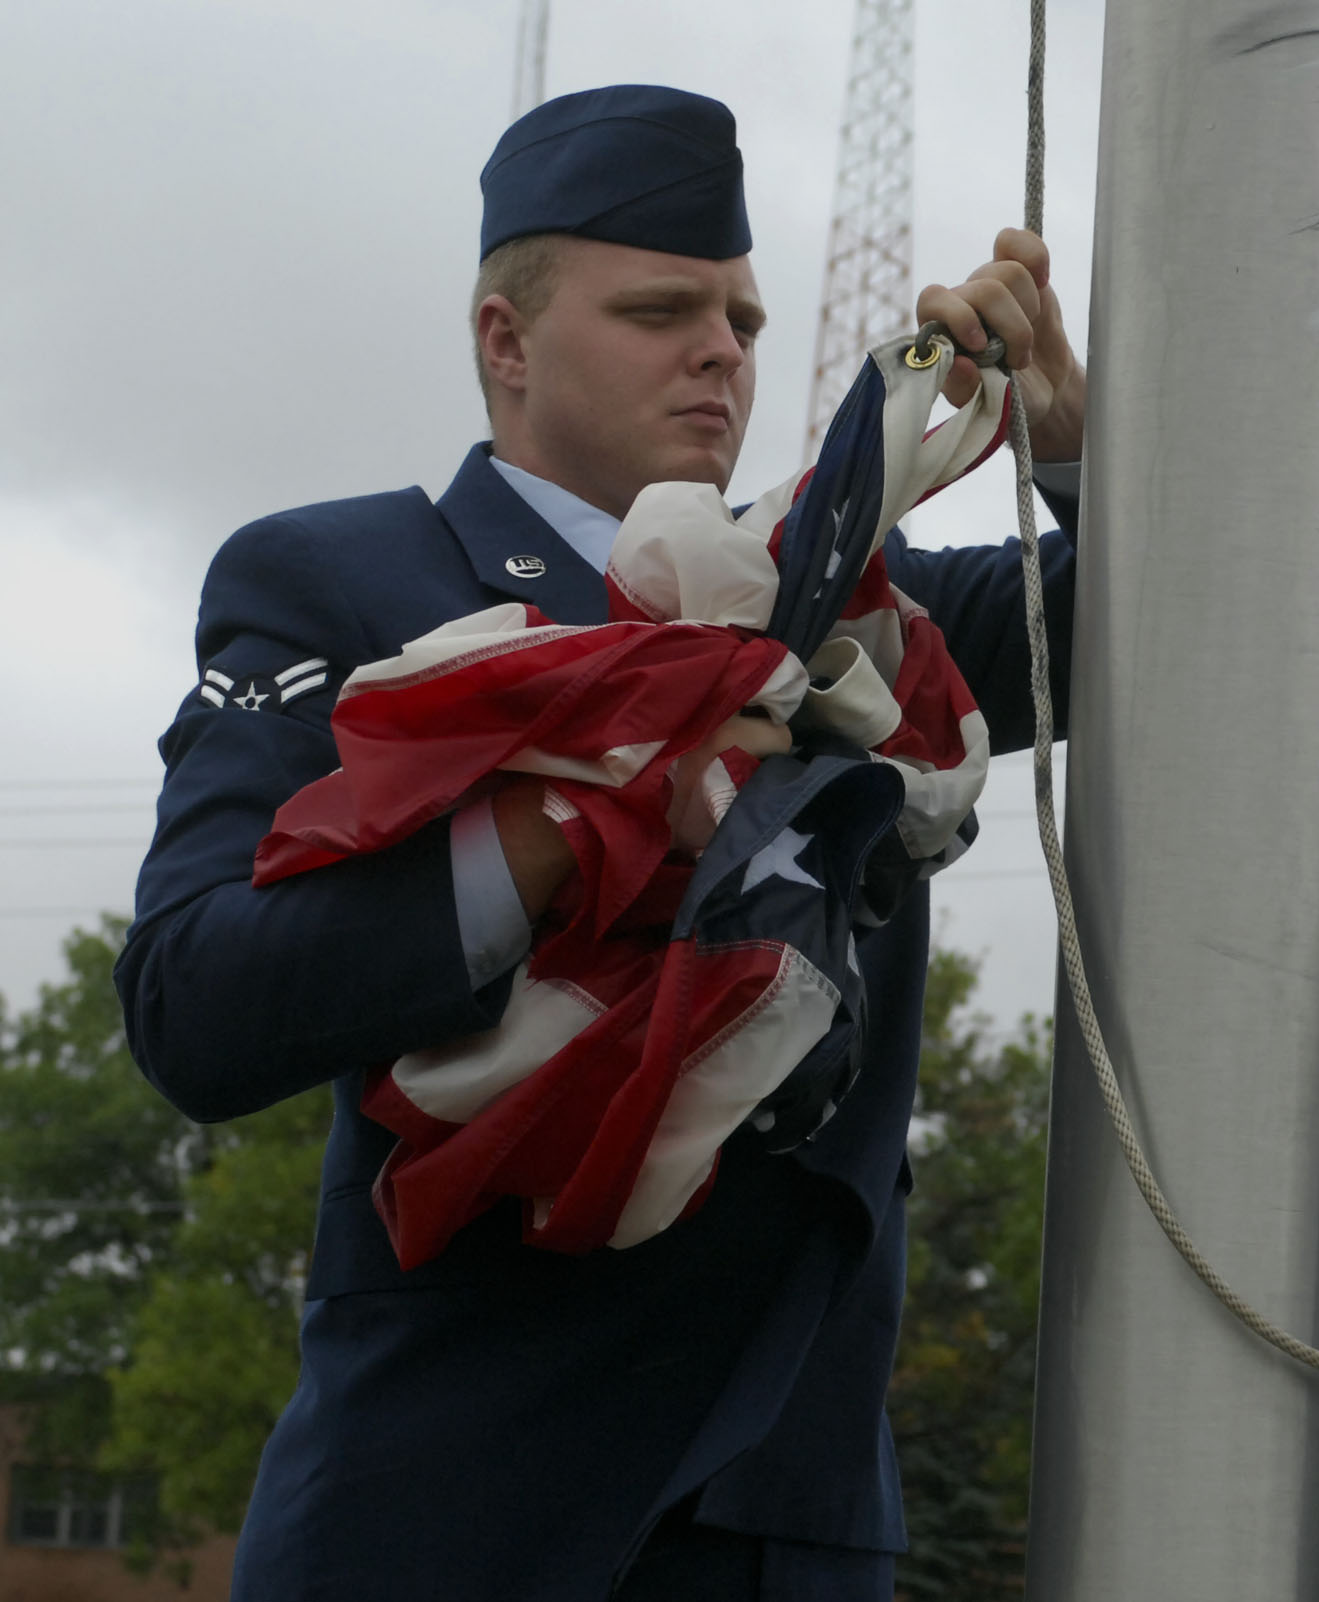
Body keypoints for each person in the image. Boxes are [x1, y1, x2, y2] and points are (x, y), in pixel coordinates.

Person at [114, 85, 1087, 1600]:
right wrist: (577, 818)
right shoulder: (342, 579)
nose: (724, 349)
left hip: (785, 1519)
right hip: (447, 1509)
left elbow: (1144, 630)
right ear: (506, 339)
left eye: (745, 320)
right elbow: (194, 1000)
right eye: (660, 308)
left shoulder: (837, 597)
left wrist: (1075, 456)